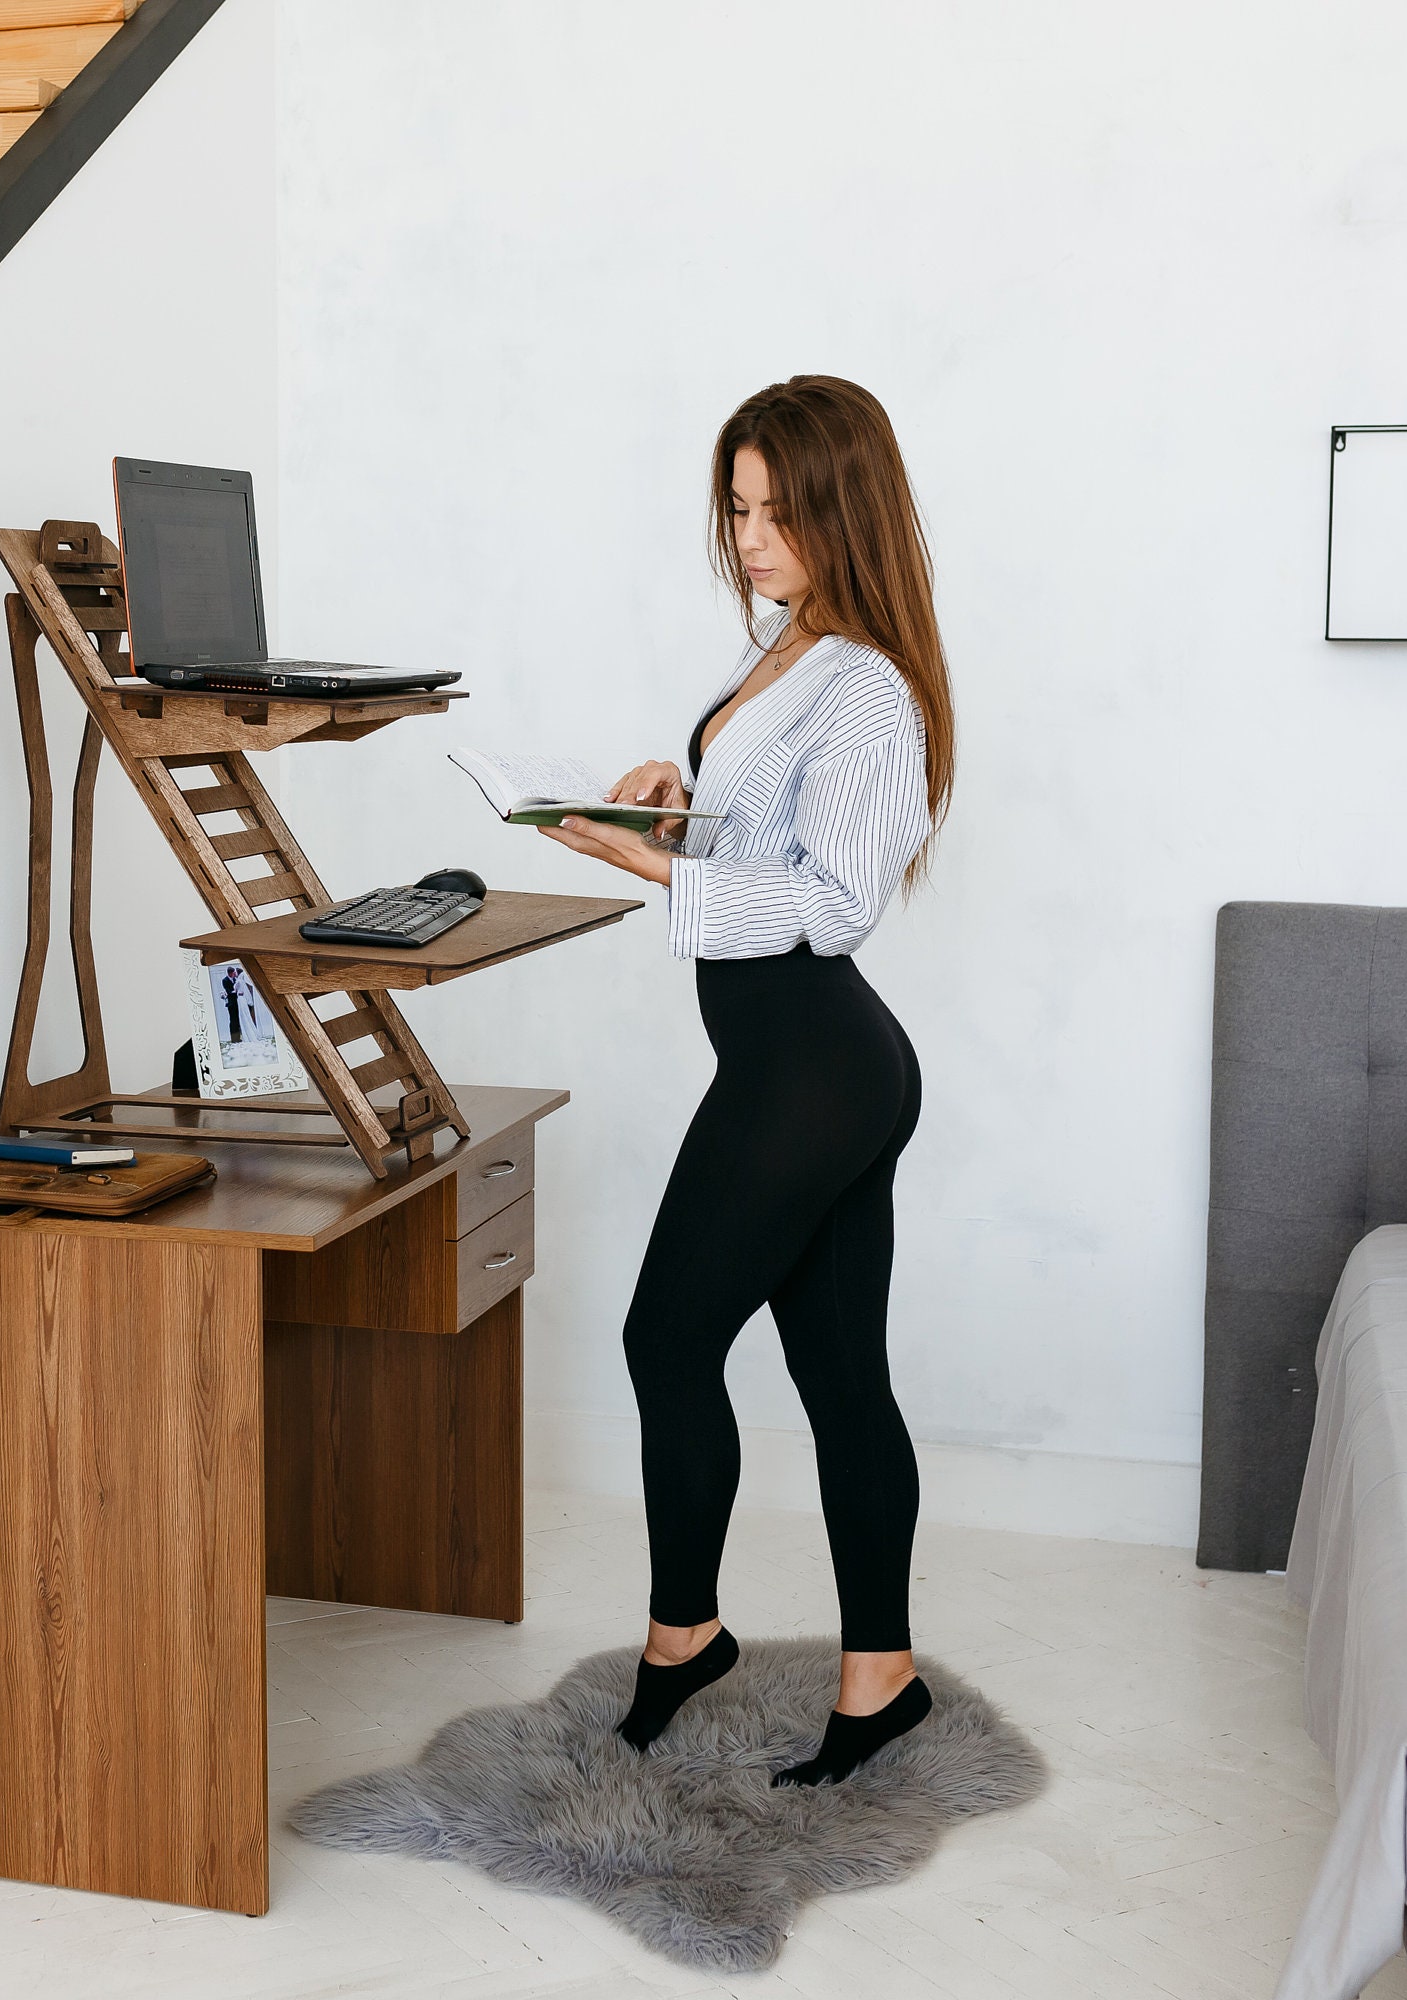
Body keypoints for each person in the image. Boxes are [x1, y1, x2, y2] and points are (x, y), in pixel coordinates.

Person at [539, 374, 953, 1787]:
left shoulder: (872, 689)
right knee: (840, 1376)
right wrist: (681, 806)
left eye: (783, 510)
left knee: (666, 1340)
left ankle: (683, 1639)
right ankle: (877, 1678)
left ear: (850, 510)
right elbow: (764, 847)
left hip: (816, 1067)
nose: (755, 537)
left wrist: (654, 866)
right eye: (739, 506)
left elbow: (833, 904)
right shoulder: (783, 653)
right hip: (803, 1061)